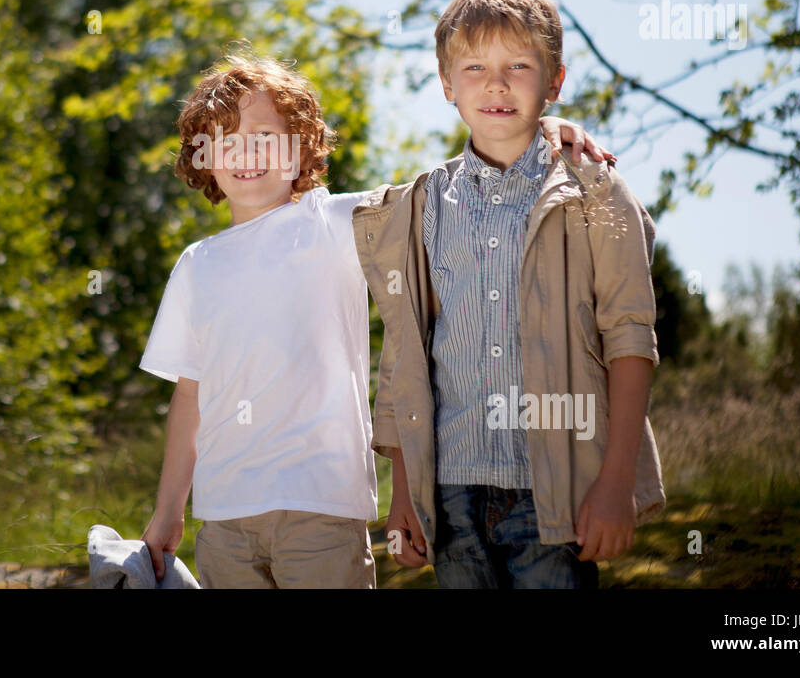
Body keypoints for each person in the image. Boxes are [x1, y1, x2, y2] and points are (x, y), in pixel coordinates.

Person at [139, 48, 609, 587]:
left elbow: (447, 187)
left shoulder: (339, 221)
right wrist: (169, 509)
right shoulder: (197, 264)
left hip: (321, 506)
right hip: (222, 516)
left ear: (300, 150)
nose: (245, 152)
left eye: (263, 136)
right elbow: (189, 397)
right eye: (225, 139)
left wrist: (537, 129)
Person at [360, 0, 665, 588]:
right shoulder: (422, 206)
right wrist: (403, 493)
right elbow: (406, 355)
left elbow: (630, 338)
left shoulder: (594, 193)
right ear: (446, 83)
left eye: (518, 65)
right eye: (473, 67)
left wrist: (615, 482)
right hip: (451, 491)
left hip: (556, 490)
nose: (496, 84)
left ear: (554, 82)